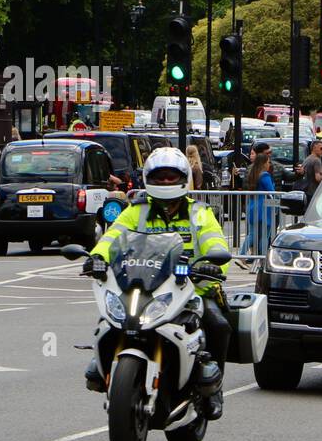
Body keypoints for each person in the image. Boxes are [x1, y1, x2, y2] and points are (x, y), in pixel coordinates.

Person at [86, 148, 233, 420]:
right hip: (144, 286)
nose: (165, 182)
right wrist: (96, 258)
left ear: (183, 178)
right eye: (160, 177)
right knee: (107, 321)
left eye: (171, 177)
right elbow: (112, 237)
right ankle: (102, 367)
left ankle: (214, 390)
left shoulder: (199, 212)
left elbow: (216, 243)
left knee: (219, 325)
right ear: (148, 178)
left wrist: (214, 265)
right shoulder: (135, 211)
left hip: (192, 287)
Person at [239, 141, 275, 263]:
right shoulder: (265, 175)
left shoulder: (253, 173)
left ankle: (242, 255)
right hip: (264, 208)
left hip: (253, 206)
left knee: (253, 234)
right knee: (265, 234)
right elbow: (272, 192)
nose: (269, 164)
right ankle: (261, 258)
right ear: (264, 163)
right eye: (268, 162)